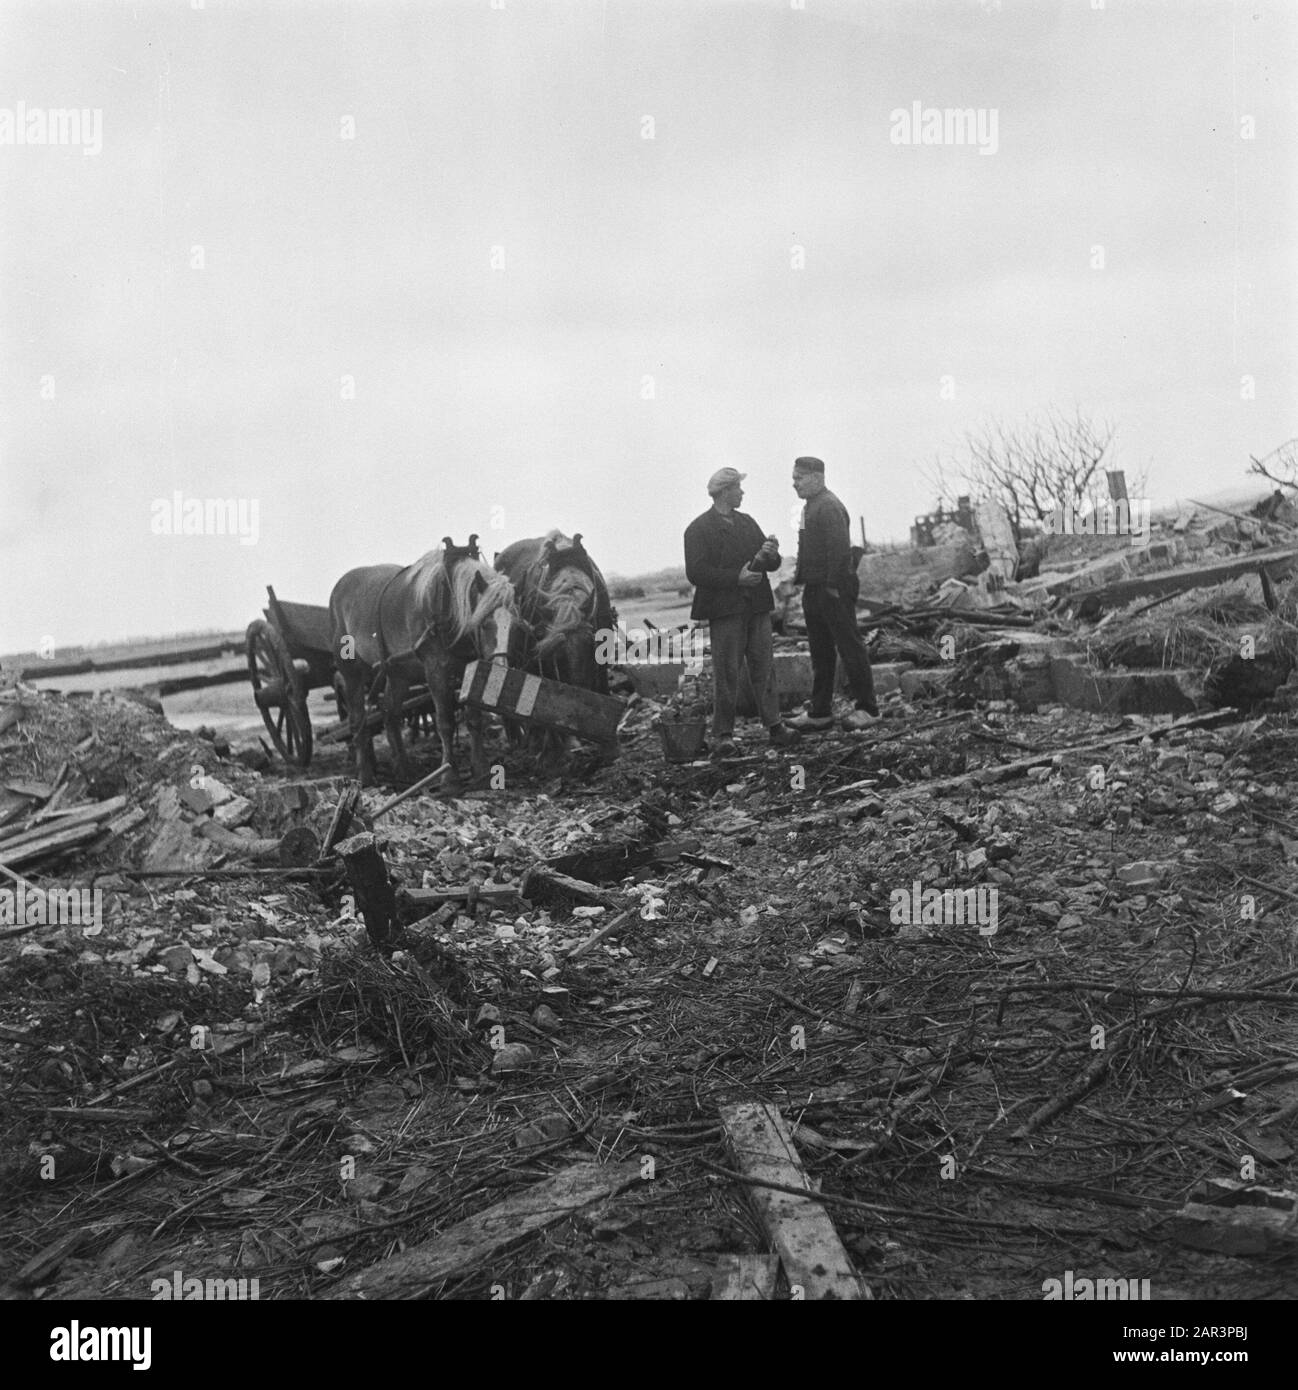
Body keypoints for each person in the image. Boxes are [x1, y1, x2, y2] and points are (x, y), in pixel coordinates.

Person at [683, 467, 800, 757]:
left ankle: (775, 727)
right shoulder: (698, 529)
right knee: (727, 673)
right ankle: (723, 735)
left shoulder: (747, 523)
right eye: (738, 488)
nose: (742, 493)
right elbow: (697, 572)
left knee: (764, 667)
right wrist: (736, 577)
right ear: (725, 492)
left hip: (757, 607)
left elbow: (769, 564)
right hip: (726, 611)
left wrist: (772, 554)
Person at [788, 456, 879, 731]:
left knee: (850, 647)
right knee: (821, 652)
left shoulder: (829, 506)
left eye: (799, 478)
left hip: (833, 588)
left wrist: (830, 587)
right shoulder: (810, 508)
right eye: (793, 479)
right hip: (815, 588)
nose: (794, 484)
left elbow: (839, 552)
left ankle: (868, 709)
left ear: (817, 477)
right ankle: (820, 711)